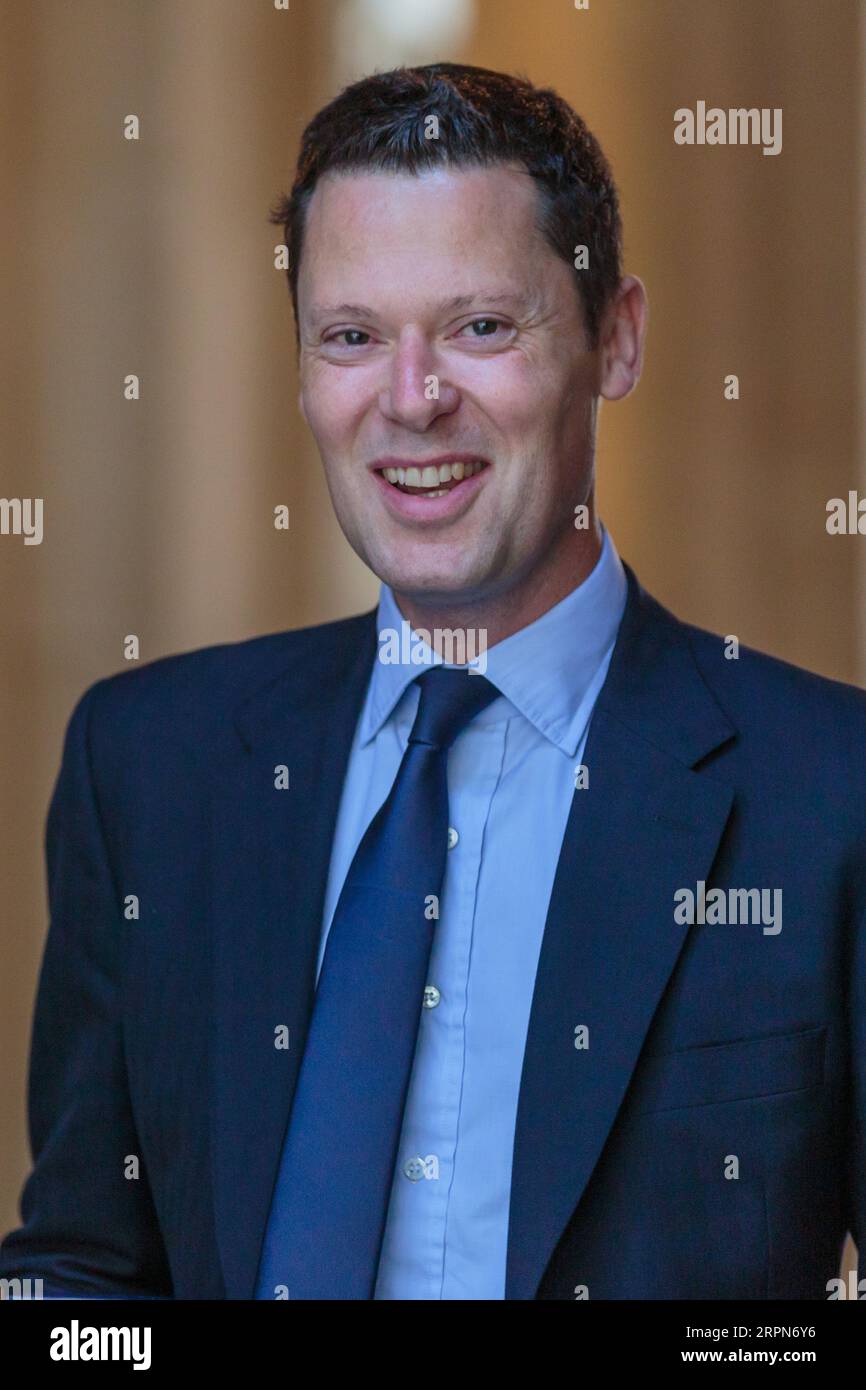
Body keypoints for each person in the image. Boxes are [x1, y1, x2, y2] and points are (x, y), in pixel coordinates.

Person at [1, 62, 864, 1301]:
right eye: (352, 337)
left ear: (613, 339)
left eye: (479, 327)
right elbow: (83, 1275)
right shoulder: (147, 765)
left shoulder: (828, 795)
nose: (412, 401)